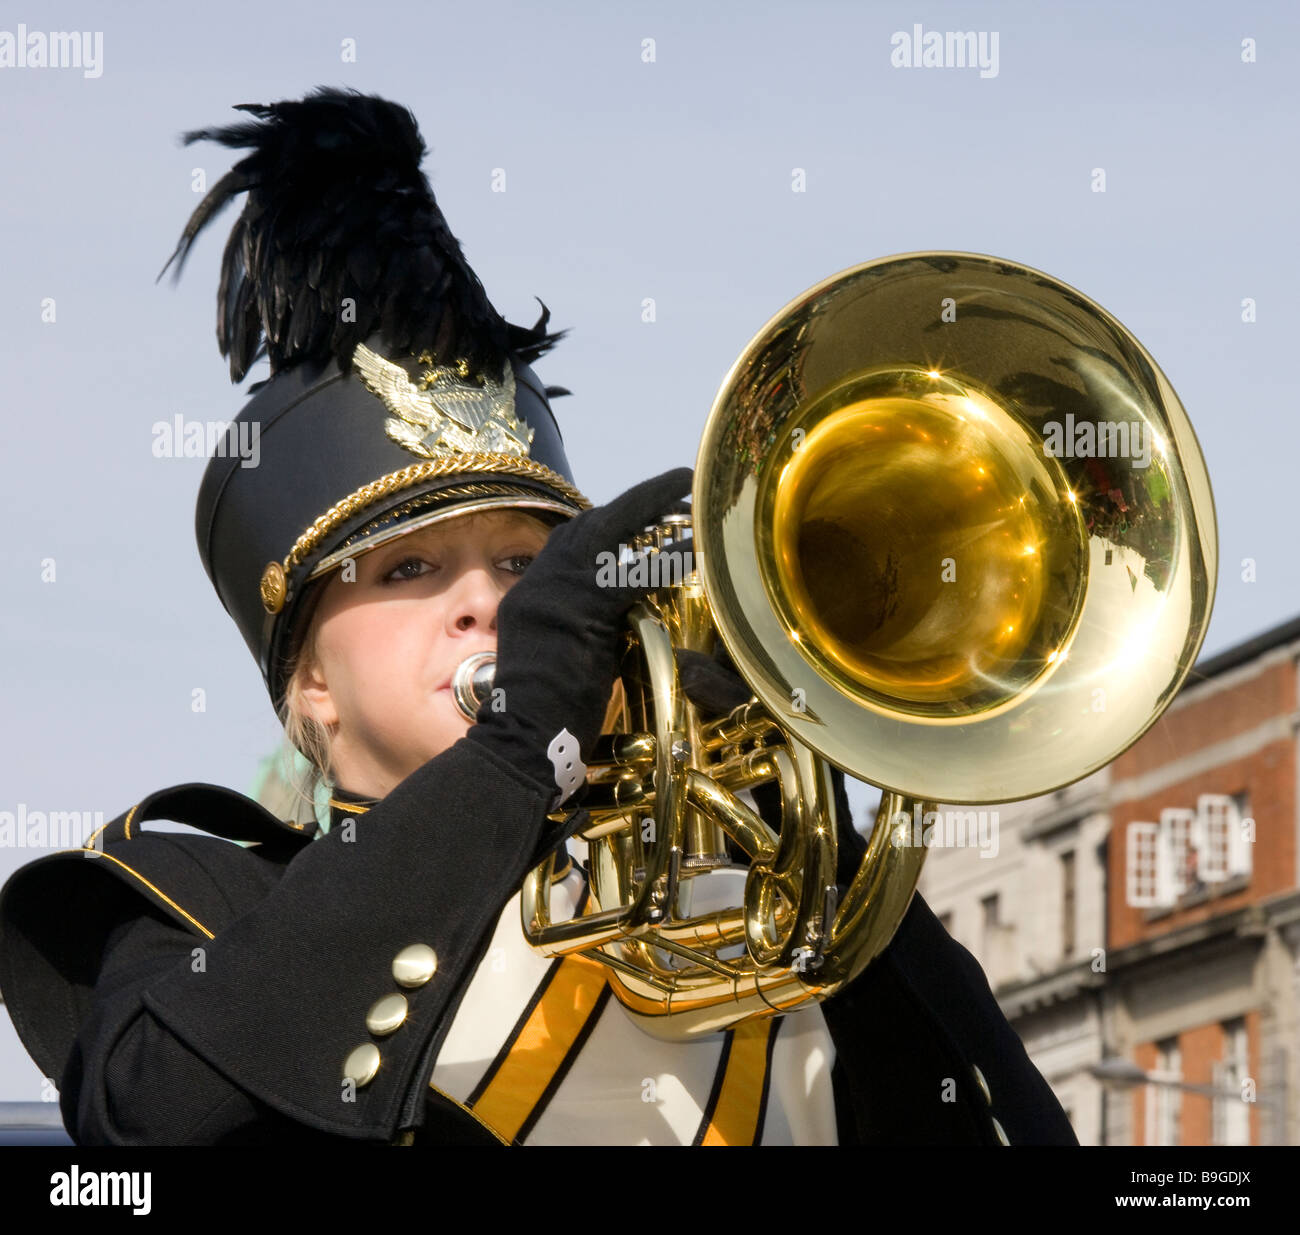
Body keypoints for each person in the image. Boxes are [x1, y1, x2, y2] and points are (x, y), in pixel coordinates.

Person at [0, 88, 1077, 1146]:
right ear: (310, 678)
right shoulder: (189, 904)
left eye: (527, 561)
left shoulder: (743, 916)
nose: (484, 600)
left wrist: (797, 788)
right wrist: (522, 754)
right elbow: (156, 1116)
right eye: (410, 566)